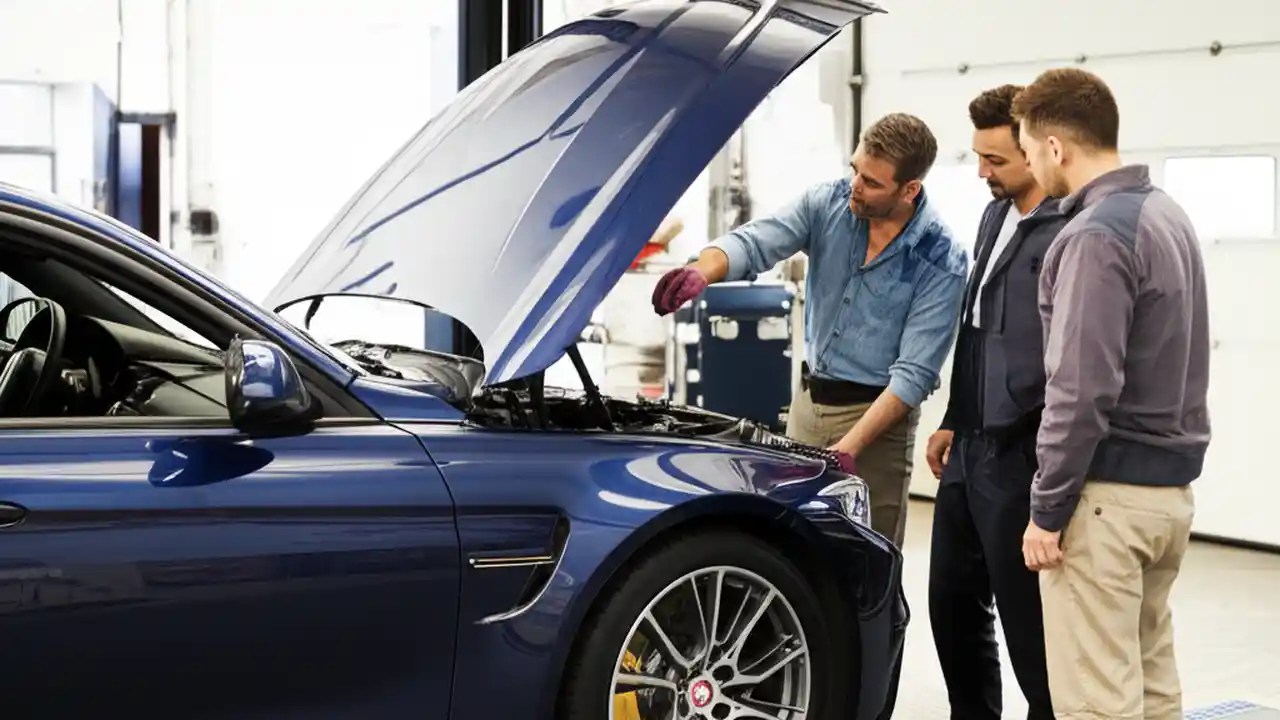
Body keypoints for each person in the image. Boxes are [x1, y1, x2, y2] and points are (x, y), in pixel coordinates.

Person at [651, 112, 968, 547]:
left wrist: (847, 450)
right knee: (793, 547)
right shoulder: (829, 204)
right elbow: (756, 242)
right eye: (855, 169)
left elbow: (912, 376)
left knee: (863, 558)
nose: (856, 185)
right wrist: (702, 272)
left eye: (872, 182)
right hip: (808, 405)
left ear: (909, 189)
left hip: (875, 422)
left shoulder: (941, 259)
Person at [1013, 68, 1211, 720]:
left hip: (1106, 506)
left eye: (1027, 146)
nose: (1030, 163)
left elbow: (1080, 389)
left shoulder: (1096, 234)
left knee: (1097, 701)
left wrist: (1046, 509)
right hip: (1166, 500)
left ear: (1055, 148)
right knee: (1152, 690)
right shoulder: (1166, 214)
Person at [926, 84, 1071, 720]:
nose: (983, 172)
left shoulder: (1066, 229)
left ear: (1036, 152)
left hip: (1021, 454)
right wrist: (955, 418)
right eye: (979, 157)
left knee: (1028, 622)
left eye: (997, 161)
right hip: (969, 447)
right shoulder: (993, 214)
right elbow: (976, 325)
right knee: (951, 604)